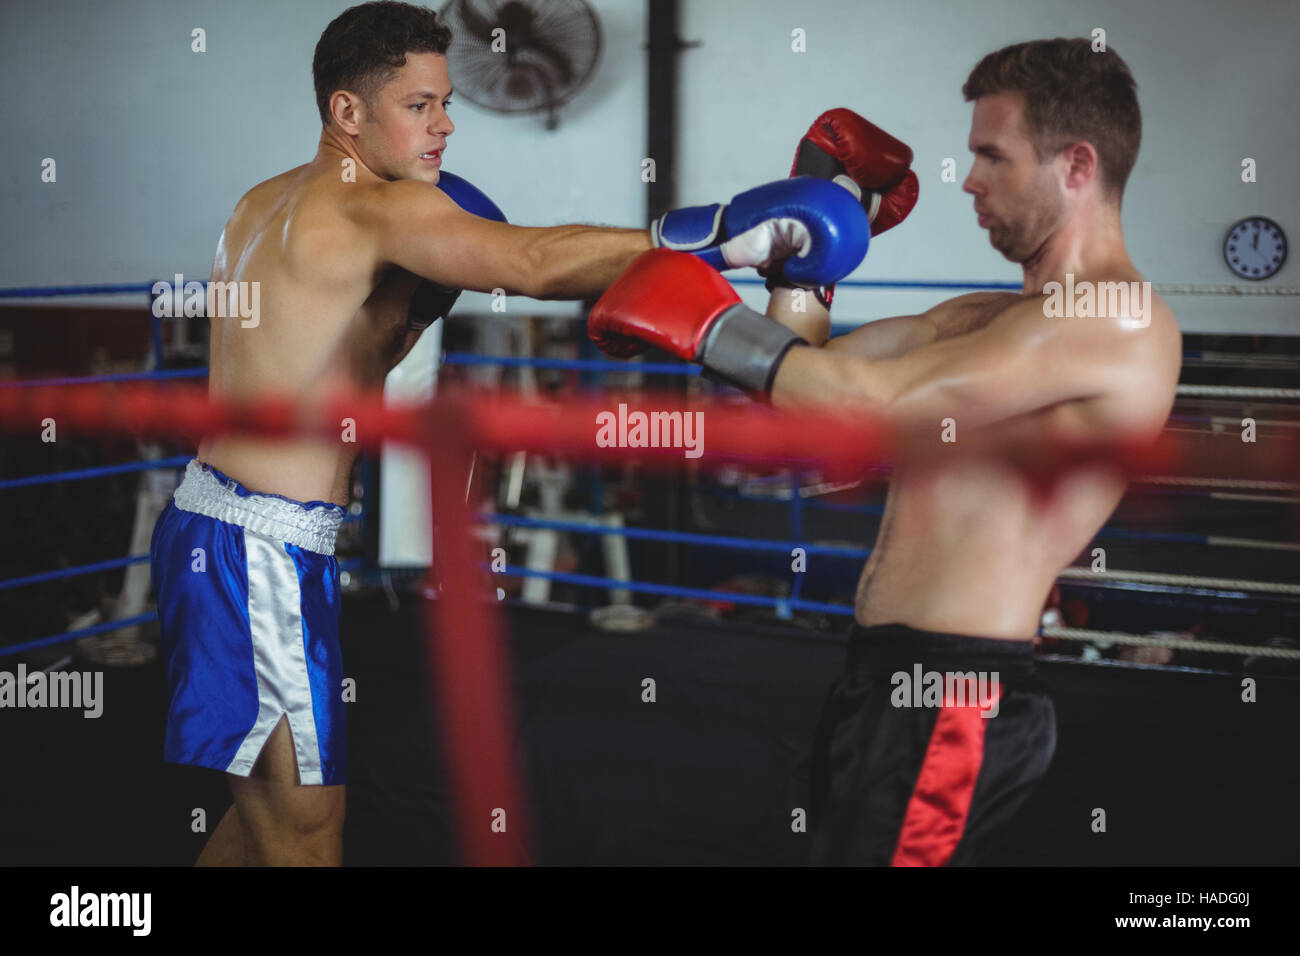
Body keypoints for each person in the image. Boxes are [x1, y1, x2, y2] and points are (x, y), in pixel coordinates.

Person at [150, 0, 868, 866]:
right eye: (419, 105)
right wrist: (725, 237)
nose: (446, 125)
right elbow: (531, 261)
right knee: (306, 834)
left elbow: (328, 339)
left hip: (215, 525)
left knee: (262, 814)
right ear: (347, 112)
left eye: (446, 102)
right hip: (259, 551)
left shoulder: (261, 203)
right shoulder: (379, 211)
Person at [589, 38, 1182, 865]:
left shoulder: (1117, 318)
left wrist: (710, 323)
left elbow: (881, 402)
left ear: (1076, 164)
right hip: (882, 678)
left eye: (991, 156)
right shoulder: (983, 319)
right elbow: (813, 400)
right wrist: (803, 264)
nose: (968, 180)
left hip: (956, 691)